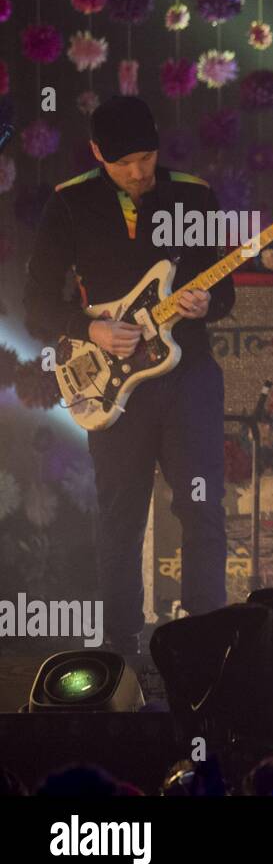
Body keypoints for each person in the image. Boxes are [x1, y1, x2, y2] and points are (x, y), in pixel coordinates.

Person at [23, 95, 235, 661]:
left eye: (146, 156)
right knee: (121, 513)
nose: (139, 172)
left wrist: (205, 303)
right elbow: (37, 305)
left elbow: (226, 294)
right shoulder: (70, 203)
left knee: (202, 506)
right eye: (123, 163)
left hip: (186, 375)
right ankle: (120, 647)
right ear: (96, 154)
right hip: (111, 384)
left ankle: (205, 645)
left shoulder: (192, 194)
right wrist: (89, 331)